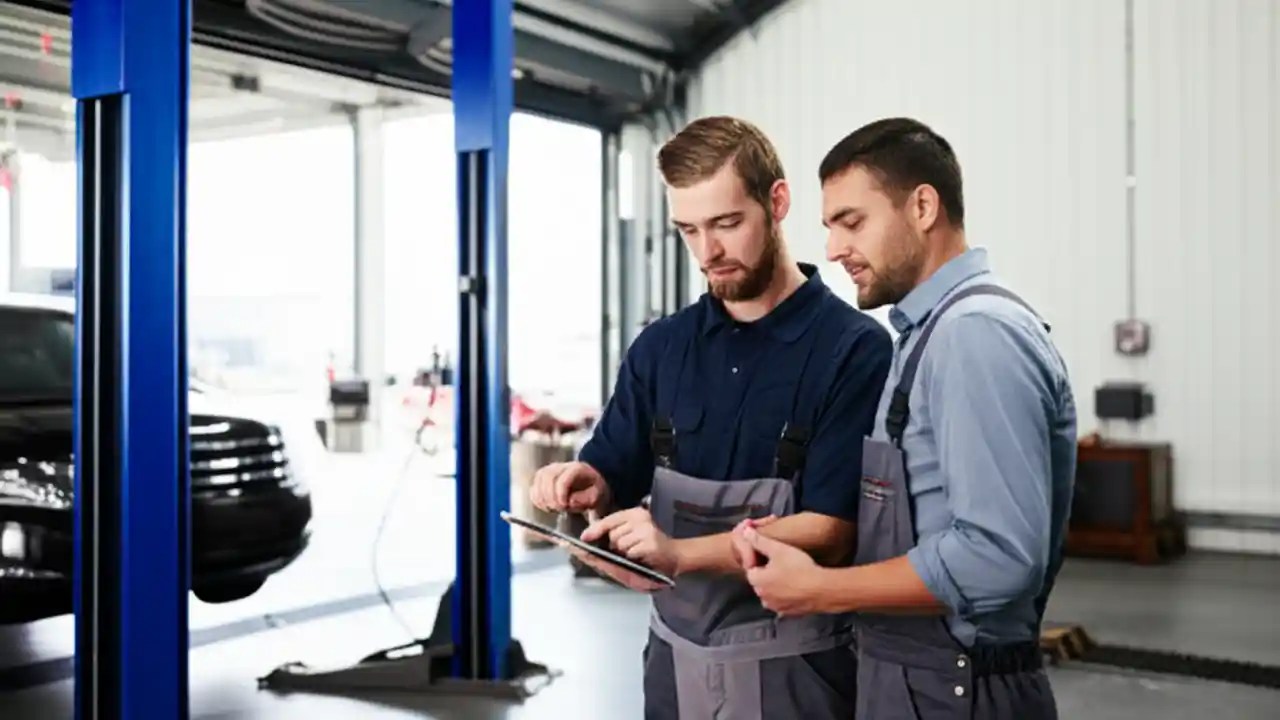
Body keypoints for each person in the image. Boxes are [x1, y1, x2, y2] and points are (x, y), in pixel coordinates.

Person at [529, 115, 892, 719]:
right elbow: (613, 469)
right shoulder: (662, 348)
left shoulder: (853, 350)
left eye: (727, 223)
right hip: (673, 664)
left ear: (777, 202)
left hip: (796, 672)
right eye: (689, 230)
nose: (709, 251)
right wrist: (586, 482)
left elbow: (833, 529)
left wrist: (682, 555)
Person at [732, 117, 1078, 719]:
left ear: (922, 207)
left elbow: (999, 559)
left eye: (852, 222)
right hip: (917, 679)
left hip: (962, 690)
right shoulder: (925, 335)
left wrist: (823, 591)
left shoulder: (975, 337)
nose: (835, 249)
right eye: (830, 227)